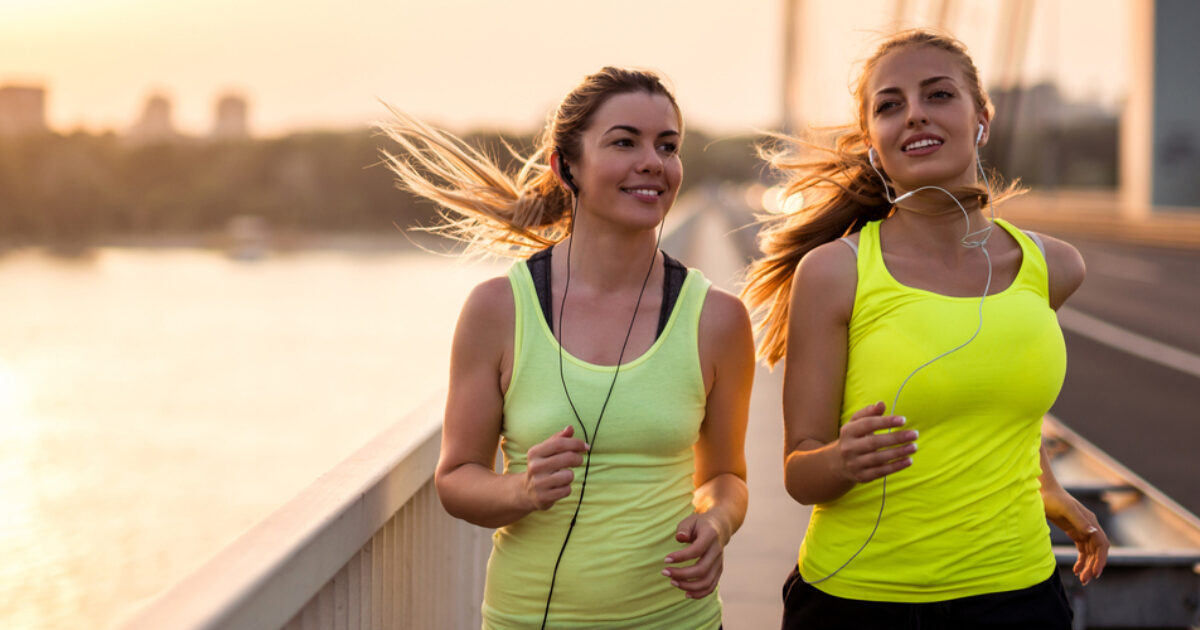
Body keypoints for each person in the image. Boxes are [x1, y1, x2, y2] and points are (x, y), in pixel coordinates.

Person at [740, 29, 1109, 629]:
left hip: (1020, 598)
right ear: (872, 141)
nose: (914, 114)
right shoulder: (836, 272)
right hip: (861, 603)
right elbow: (800, 472)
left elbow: (993, 391)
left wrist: (1048, 486)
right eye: (890, 105)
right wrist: (843, 459)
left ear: (981, 118)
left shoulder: (1055, 267)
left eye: (937, 95)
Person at [379, 67, 752, 629]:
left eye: (667, 146)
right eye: (624, 142)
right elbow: (456, 477)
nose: (653, 161)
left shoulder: (718, 319)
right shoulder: (498, 309)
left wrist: (717, 521)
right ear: (565, 166)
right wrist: (522, 489)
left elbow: (727, 476)